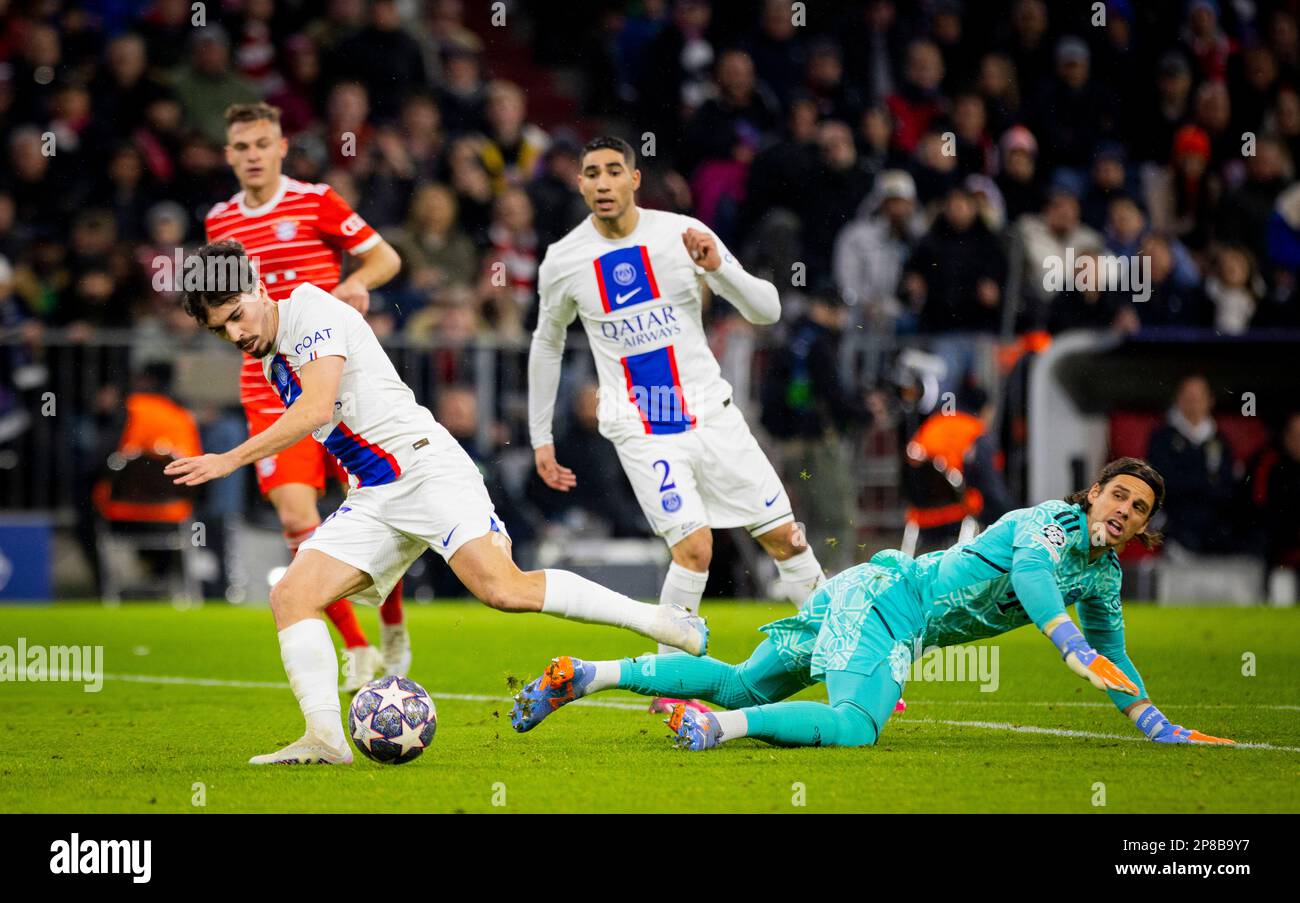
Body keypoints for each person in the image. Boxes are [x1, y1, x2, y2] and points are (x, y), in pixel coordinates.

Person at [166, 240, 709, 765]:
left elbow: (314, 410)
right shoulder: (271, 359)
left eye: (237, 315)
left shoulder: (310, 308)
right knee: (291, 596)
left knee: (503, 589)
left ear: (260, 287)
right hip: (376, 492)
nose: (236, 333)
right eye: (221, 329)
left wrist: (227, 459)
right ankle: (324, 740)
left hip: (426, 469)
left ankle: (659, 620)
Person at [511, 458, 1235, 751]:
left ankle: (588, 674)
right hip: (889, 606)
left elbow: (1115, 653)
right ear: (1094, 493)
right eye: (1118, 494)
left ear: (1142, 525)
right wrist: (1068, 643)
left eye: (1138, 508)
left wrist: (1156, 721)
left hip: (864, 594)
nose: (1125, 509)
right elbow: (1037, 583)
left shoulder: (1102, 578)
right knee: (857, 726)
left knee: (738, 678)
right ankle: (716, 729)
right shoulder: (1047, 523)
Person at [528, 136, 825, 713]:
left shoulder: (682, 234)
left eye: (616, 170)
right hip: (643, 425)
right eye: (592, 173)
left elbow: (767, 309)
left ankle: (843, 660)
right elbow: (546, 344)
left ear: (635, 179)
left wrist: (721, 270)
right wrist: (542, 436)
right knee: (694, 549)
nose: (604, 182)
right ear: (581, 184)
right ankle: (676, 689)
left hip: (712, 416)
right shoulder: (564, 259)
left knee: (787, 539)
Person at [204, 101, 406, 690]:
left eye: (262, 144)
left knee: (376, 505)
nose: (252, 156)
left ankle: (392, 624)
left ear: (281, 146)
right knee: (298, 516)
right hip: (267, 386)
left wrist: (355, 283)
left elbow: (385, 257)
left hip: (332, 375)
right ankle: (360, 647)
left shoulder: (315, 201)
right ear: (229, 155)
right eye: (241, 147)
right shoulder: (220, 221)